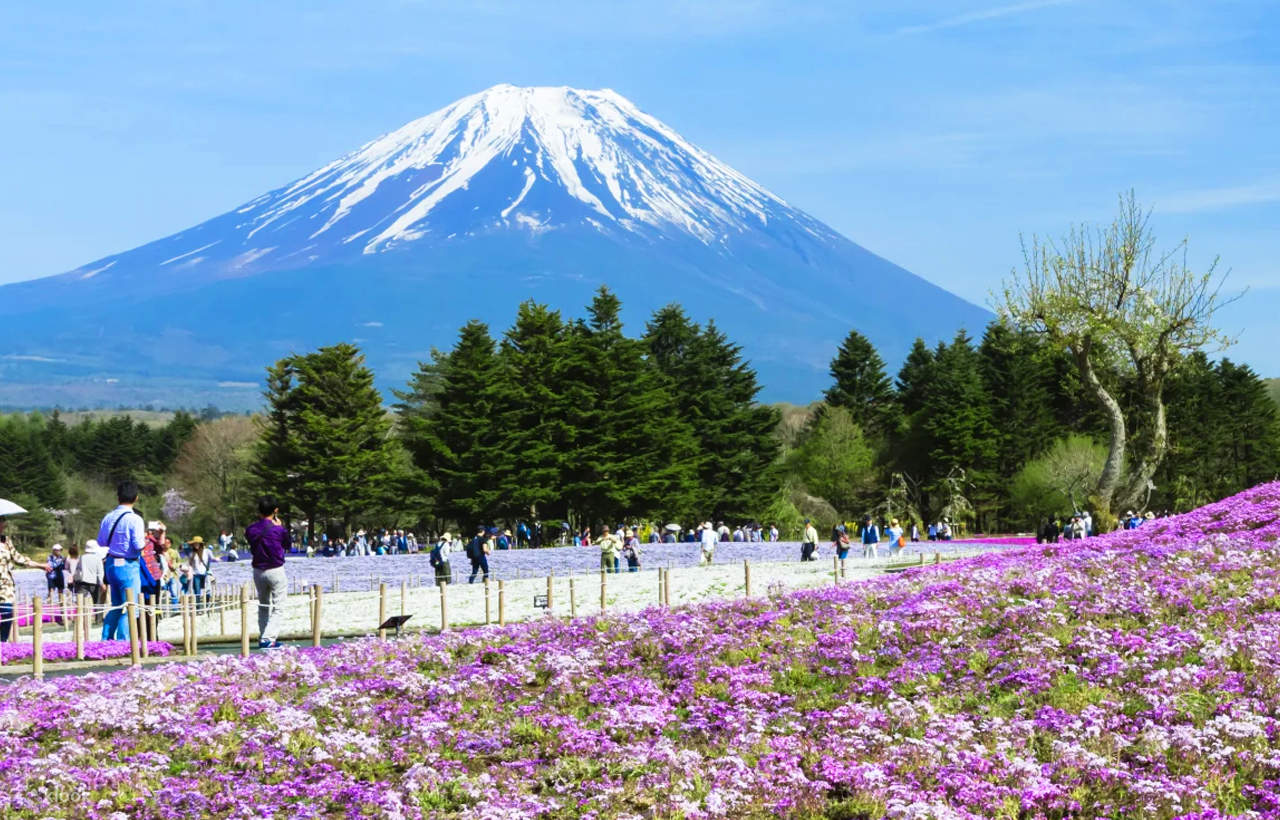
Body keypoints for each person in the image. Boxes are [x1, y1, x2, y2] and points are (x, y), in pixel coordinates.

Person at [97, 480, 147, 641]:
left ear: (118, 497)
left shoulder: (108, 517)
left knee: (117, 606)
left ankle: (106, 640)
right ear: (136, 498)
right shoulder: (135, 519)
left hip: (111, 563)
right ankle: (124, 642)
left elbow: (101, 542)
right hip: (128, 564)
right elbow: (139, 545)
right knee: (131, 607)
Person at [245, 496, 290, 649]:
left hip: (258, 570)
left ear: (259, 510)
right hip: (275, 569)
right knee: (279, 606)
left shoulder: (250, 529)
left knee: (263, 604)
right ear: (275, 510)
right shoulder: (278, 529)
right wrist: (281, 528)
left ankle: (264, 637)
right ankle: (268, 638)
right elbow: (287, 544)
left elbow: (251, 541)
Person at [0, 513, 47, 641]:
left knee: (7, 612)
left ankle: (2, 642)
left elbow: (19, 558)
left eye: (3, 521)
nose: (3, 524)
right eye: (1, 521)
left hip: (5, 585)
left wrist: (40, 565)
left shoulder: (6, 540)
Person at [73, 538, 106, 620]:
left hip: (82, 583)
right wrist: (101, 583)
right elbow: (100, 572)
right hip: (94, 583)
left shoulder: (81, 557)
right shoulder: (98, 558)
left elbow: (78, 570)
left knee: (81, 603)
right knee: (97, 602)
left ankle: (81, 620)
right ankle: (98, 619)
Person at [187, 536, 211, 610]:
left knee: (207, 589)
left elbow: (210, 561)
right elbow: (190, 564)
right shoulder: (192, 553)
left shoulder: (206, 551)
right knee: (197, 591)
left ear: (200, 544)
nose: (195, 545)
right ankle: (198, 607)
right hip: (196, 574)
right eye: (194, 544)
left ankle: (207, 604)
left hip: (204, 573)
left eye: (197, 543)